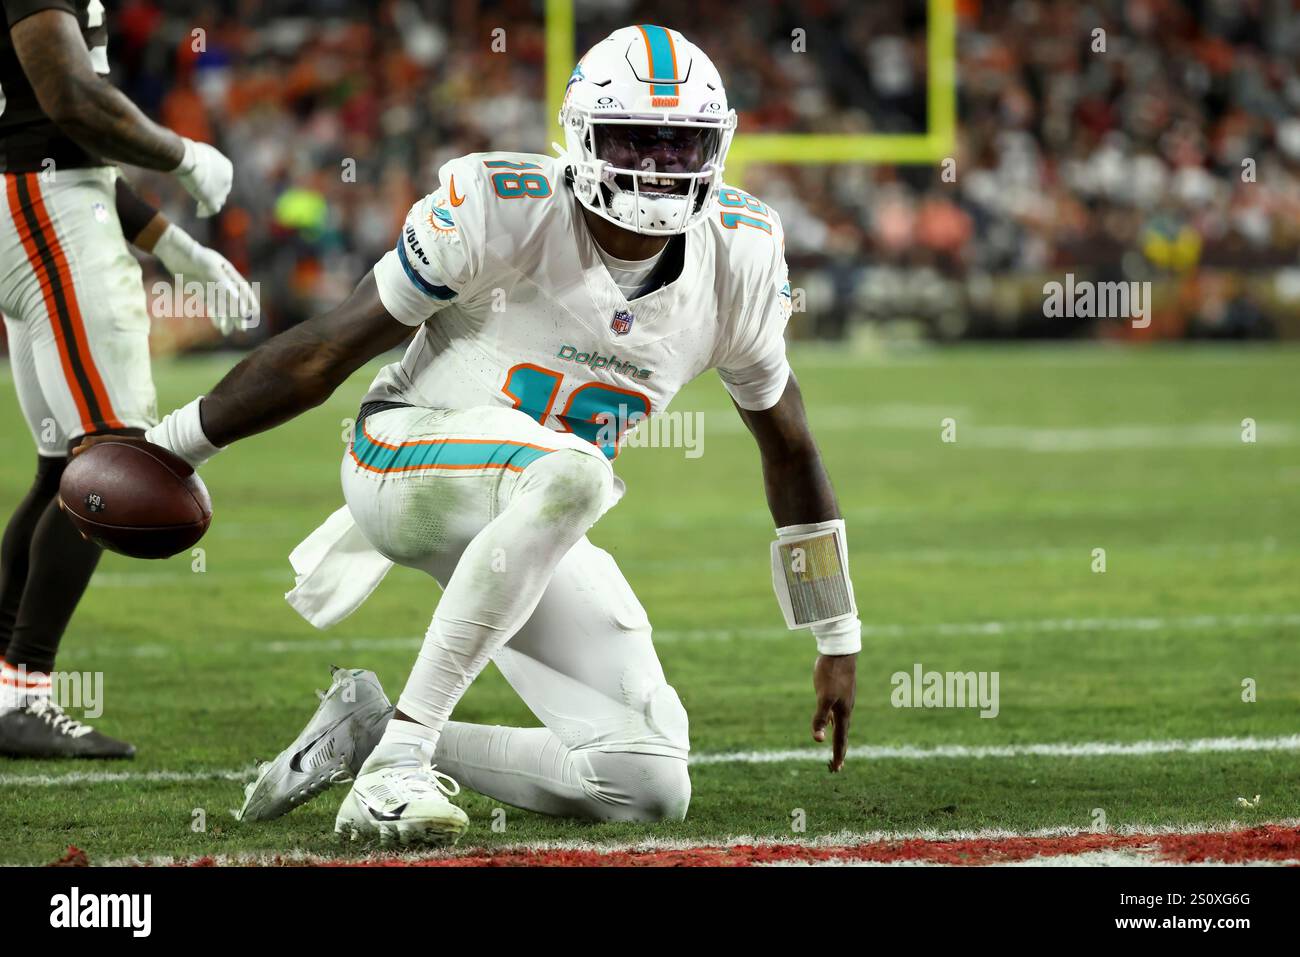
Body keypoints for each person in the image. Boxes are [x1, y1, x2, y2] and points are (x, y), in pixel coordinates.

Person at [123, 25, 860, 845]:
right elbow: (331, 346)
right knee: (575, 473)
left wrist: (836, 631)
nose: (658, 165)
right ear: (583, 137)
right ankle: (398, 765)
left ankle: (366, 732)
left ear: (715, 148)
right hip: (403, 456)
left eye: (679, 144)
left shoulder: (738, 257)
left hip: (535, 509)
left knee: (645, 778)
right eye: (634, 139)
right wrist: (171, 444)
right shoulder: (503, 206)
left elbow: (789, 445)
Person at [0, 0, 251, 757]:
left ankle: (8, 688)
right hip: (47, 213)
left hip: (43, 202)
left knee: (63, 471)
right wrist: (183, 154)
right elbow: (70, 101)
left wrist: (174, 246)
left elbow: (62, 142)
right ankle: (23, 693)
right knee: (112, 459)